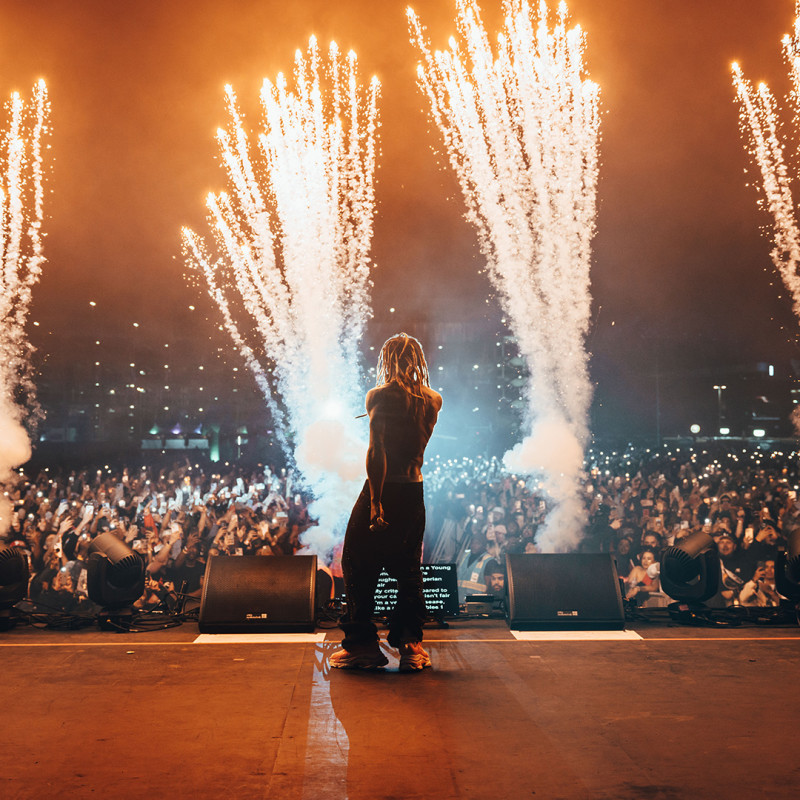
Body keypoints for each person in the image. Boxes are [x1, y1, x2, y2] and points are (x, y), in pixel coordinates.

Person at [331, 333, 442, 672]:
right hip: (414, 490)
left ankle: (363, 645)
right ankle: (411, 646)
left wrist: (377, 502)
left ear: (387, 359)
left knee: (357, 563)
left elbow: (377, 451)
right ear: (419, 361)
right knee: (407, 569)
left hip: (384, 488)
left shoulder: (378, 396)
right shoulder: (433, 400)